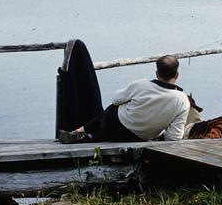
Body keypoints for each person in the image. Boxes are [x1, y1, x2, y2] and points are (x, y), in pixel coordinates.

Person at [59, 55, 190, 143]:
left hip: (113, 125)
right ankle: (88, 136)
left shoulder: (141, 85)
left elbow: (116, 99)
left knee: (113, 109)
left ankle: (80, 131)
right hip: (139, 138)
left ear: (156, 73)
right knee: (114, 128)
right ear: (177, 75)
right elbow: (174, 137)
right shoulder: (182, 100)